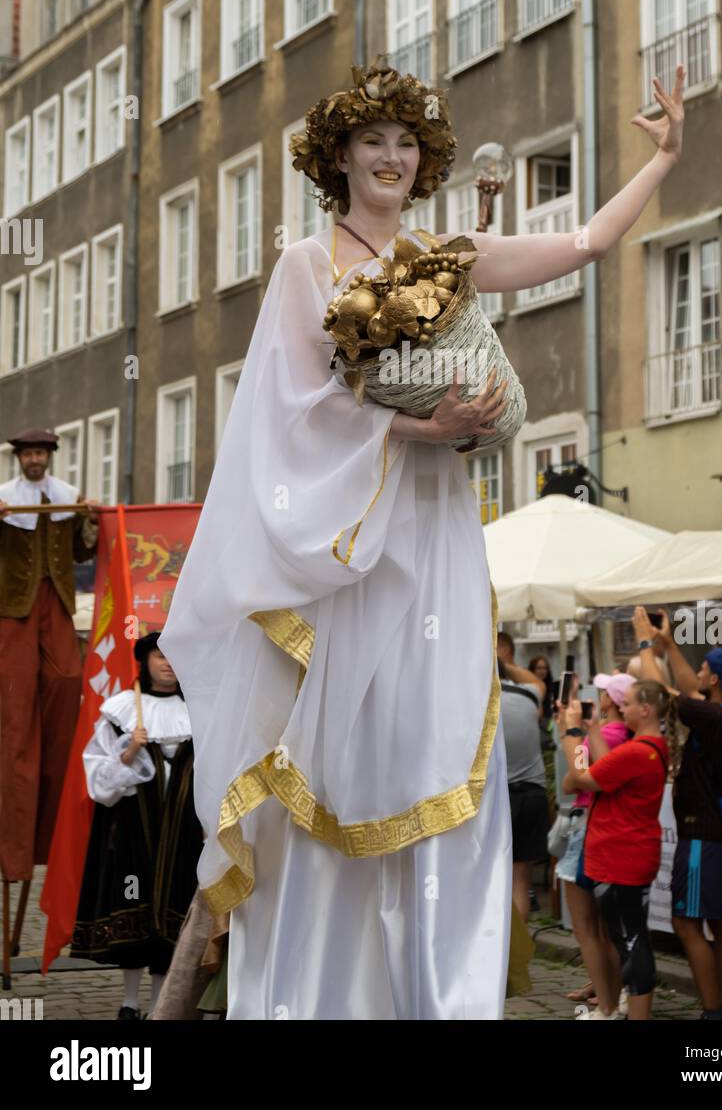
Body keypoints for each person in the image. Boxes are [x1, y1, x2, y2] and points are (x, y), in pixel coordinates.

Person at [156, 54, 686, 1020]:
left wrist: (661, 163)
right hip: (350, 538)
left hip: (438, 537)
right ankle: (309, 995)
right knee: (328, 752)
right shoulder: (308, 266)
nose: (392, 157)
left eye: (406, 142)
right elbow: (283, 413)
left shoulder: (448, 254)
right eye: (373, 143)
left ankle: (430, 997)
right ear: (341, 160)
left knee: (435, 743)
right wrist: (414, 426)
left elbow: (582, 244)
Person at [70, 633, 202, 1019]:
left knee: (174, 909)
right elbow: (98, 779)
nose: (168, 664)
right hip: (134, 831)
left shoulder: (199, 711)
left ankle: (162, 1001)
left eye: (175, 657)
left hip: (182, 831)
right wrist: (129, 751)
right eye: (161, 656)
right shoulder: (121, 711)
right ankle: (129, 1002)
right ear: (145, 661)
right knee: (134, 904)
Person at [635, 606, 722, 1020]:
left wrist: (647, 643)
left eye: (703, 669)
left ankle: (713, 1011)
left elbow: (659, 690)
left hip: (702, 838)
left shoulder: (711, 716)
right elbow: (687, 685)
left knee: (687, 922)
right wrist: (669, 645)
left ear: (714, 680)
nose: (697, 673)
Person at [0, 428, 100, 882]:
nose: (35, 460)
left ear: (49, 457)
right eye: (28, 454)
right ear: (19, 459)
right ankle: (15, 841)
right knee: (15, 700)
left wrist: (89, 521)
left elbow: (82, 551)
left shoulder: (65, 497)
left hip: (56, 602)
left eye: (41, 453)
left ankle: (55, 779)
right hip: (14, 608)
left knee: (65, 680)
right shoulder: (5, 500)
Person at [567, 679, 674, 1020]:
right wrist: (593, 730)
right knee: (629, 939)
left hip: (621, 859)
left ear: (645, 709)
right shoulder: (648, 746)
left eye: (626, 703)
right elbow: (606, 767)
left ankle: (636, 1013)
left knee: (631, 944)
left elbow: (583, 778)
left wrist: (571, 736)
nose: (621, 708)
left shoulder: (636, 751)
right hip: (628, 855)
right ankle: (622, 1010)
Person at [556, 673, 635, 1019]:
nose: (598, 694)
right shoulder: (624, 735)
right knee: (606, 928)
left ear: (611, 701)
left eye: (603, 691)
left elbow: (575, 778)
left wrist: (569, 733)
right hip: (604, 825)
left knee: (586, 926)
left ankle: (606, 1006)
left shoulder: (607, 735)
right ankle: (612, 1000)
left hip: (588, 823)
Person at [498, 646, 548, 920]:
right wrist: (505, 662)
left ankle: (500, 949)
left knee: (495, 877)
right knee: (521, 880)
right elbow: (538, 682)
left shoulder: (479, 701)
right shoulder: (528, 695)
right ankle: (521, 951)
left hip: (498, 800)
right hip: (533, 795)